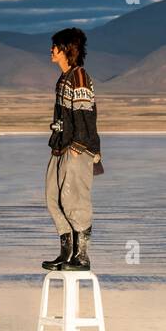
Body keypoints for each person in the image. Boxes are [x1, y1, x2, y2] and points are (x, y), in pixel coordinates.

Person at [43, 27, 101, 272]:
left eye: (54, 46)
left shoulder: (79, 77)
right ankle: (66, 253)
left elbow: (85, 114)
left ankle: (82, 256)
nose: (51, 50)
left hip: (76, 148)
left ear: (65, 50)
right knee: (53, 198)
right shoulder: (64, 78)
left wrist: (80, 146)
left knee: (74, 199)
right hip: (60, 147)